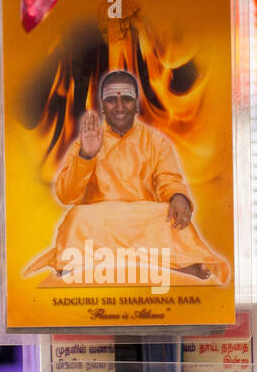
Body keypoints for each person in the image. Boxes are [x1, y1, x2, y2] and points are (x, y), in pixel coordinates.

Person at [24, 70, 230, 284]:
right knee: (78, 217)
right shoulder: (86, 142)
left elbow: (169, 179)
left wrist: (178, 195)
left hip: (145, 220)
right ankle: (172, 261)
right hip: (100, 221)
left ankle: (180, 261)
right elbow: (66, 196)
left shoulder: (156, 142)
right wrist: (86, 156)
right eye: (111, 100)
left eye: (127, 99)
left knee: (168, 217)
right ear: (102, 106)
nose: (120, 107)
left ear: (137, 105)